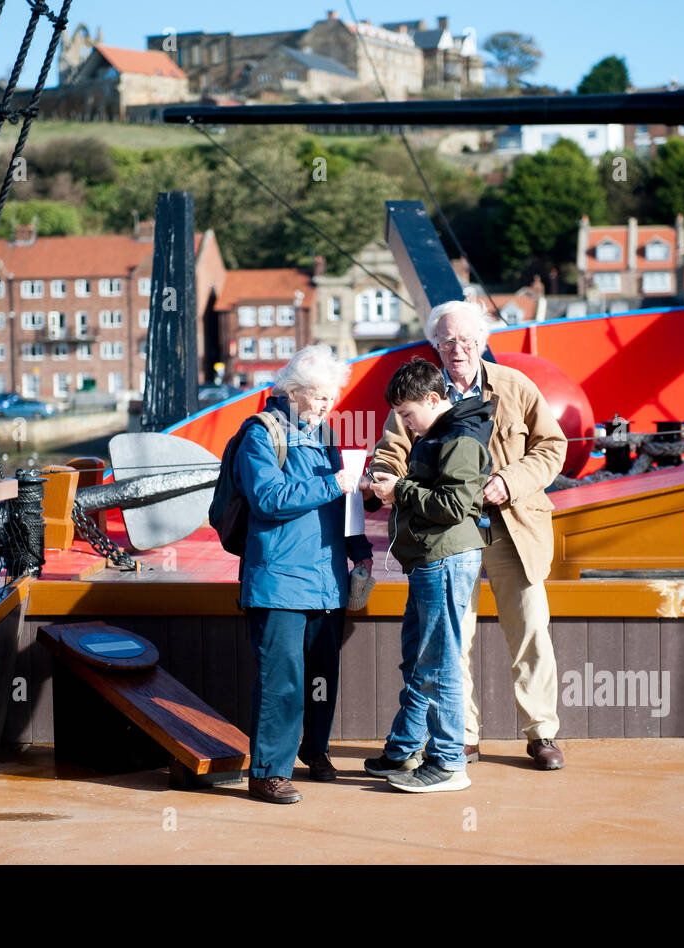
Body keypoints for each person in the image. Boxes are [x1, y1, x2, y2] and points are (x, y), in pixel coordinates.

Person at [367, 300, 568, 770]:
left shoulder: (515, 387)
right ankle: (462, 735)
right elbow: (389, 451)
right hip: (448, 534)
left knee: (531, 630)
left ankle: (542, 733)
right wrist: (381, 479)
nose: (458, 349)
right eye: (448, 340)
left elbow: (552, 447)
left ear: (483, 341)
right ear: (435, 344)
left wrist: (509, 481)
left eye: (467, 340)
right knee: (454, 638)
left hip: (514, 528)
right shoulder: (423, 393)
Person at [236, 345, 373, 804]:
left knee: (321, 674)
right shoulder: (260, 434)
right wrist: (334, 482)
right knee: (282, 680)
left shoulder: (327, 434)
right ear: (292, 392)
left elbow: (344, 505)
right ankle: (268, 771)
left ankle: (315, 750)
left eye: (331, 396)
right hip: (278, 580)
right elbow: (269, 499)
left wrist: (359, 551)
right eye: (318, 396)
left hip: (326, 577)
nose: (326, 405)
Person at [361, 358, 493, 793]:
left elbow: (454, 506)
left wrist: (397, 490)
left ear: (433, 399)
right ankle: (404, 749)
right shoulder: (443, 433)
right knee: (421, 657)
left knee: (437, 661)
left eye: (407, 414)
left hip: (444, 560)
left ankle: (449, 761)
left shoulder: (458, 437)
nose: (405, 425)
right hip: (432, 560)